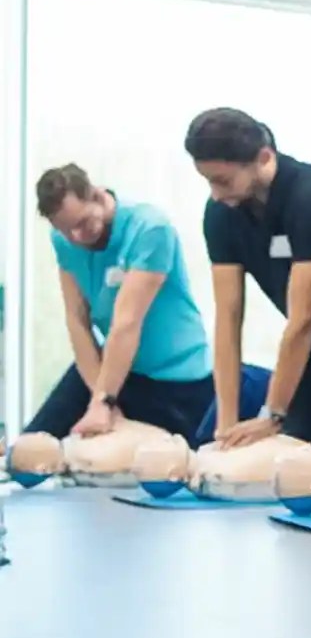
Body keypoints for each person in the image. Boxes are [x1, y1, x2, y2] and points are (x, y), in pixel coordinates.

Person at [187, 108, 311, 456]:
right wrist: (226, 424)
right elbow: (228, 319)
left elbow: (303, 318)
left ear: (263, 158)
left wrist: (272, 413)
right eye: (208, 181)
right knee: (293, 454)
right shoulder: (221, 214)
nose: (214, 193)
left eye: (223, 181)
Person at [25, 164, 214, 442]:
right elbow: (77, 320)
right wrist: (98, 396)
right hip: (116, 371)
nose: (76, 237)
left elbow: (126, 323)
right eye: (65, 230)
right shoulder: (65, 241)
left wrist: (104, 402)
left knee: (147, 459)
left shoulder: (150, 229)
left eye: (82, 223)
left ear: (97, 195)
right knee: (29, 447)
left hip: (177, 379)